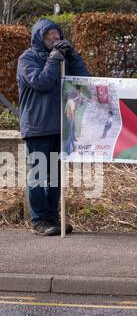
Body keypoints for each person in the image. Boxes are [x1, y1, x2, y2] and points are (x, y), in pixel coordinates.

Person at [17, 19, 90, 236]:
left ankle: (53, 217)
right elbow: (40, 82)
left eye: (58, 33)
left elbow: (83, 81)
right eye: (50, 34)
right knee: (39, 175)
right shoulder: (27, 59)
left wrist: (73, 56)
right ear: (40, 36)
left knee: (55, 176)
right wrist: (53, 59)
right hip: (37, 126)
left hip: (60, 126)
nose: (56, 38)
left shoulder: (62, 58)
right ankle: (39, 219)